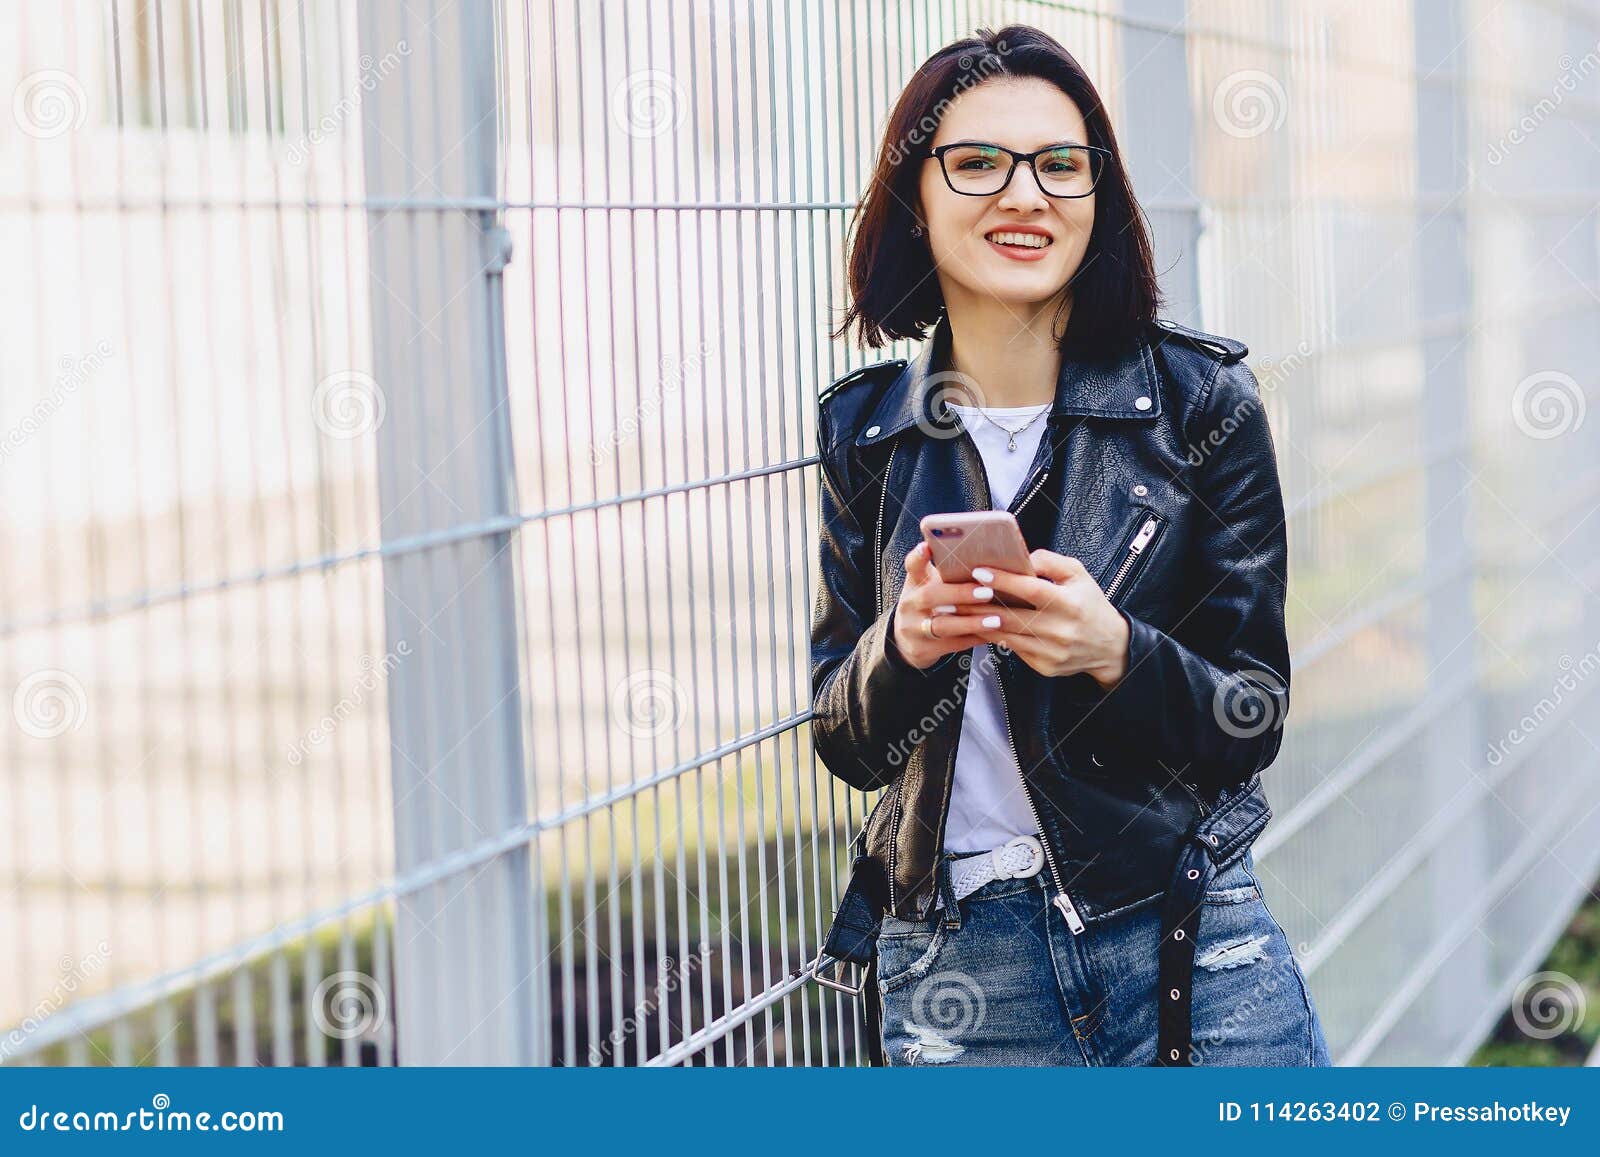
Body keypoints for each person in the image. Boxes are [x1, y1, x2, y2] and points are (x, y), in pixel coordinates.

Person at [809, 23, 1331, 1067]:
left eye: (1059, 163)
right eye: (977, 163)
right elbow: (845, 741)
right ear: (915, 196)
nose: (1025, 195)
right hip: (964, 974)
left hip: (1188, 942)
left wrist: (1114, 652)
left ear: (1099, 194)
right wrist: (903, 648)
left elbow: (1251, 714)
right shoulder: (865, 433)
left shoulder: (1200, 405)